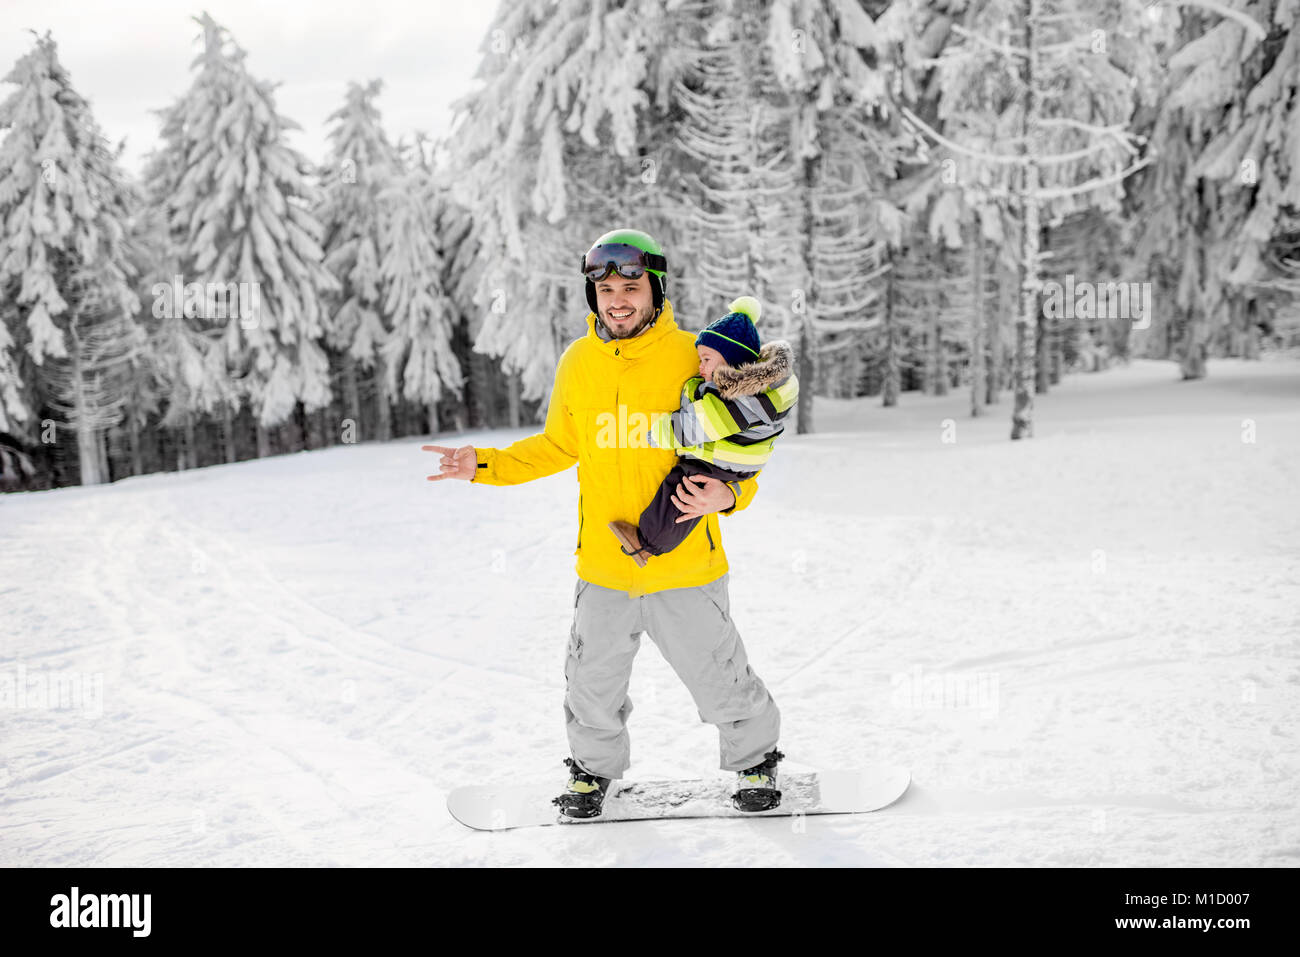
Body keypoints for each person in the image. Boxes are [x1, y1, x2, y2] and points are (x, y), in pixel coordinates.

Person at [424, 228, 783, 818]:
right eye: (606, 288)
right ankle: (592, 773)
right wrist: (481, 464)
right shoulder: (578, 362)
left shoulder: (695, 356)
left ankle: (756, 761)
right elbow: (556, 446)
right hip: (604, 565)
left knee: (718, 673)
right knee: (591, 683)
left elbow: (749, 440)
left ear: (656, 290)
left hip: (684, 563)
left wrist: (729, 496)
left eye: (631, 286)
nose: (617, 299)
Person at [607, 295, 798, 567]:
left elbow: (700, 424)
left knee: (682, 494)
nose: (700, 367)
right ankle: (651, 541)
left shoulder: (738, 397)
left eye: (706, 359)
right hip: (730, 462)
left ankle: (648, 543)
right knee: (688, 493)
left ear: (732, 361)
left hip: (723, 461)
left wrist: (660, 433)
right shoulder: (746, 392)